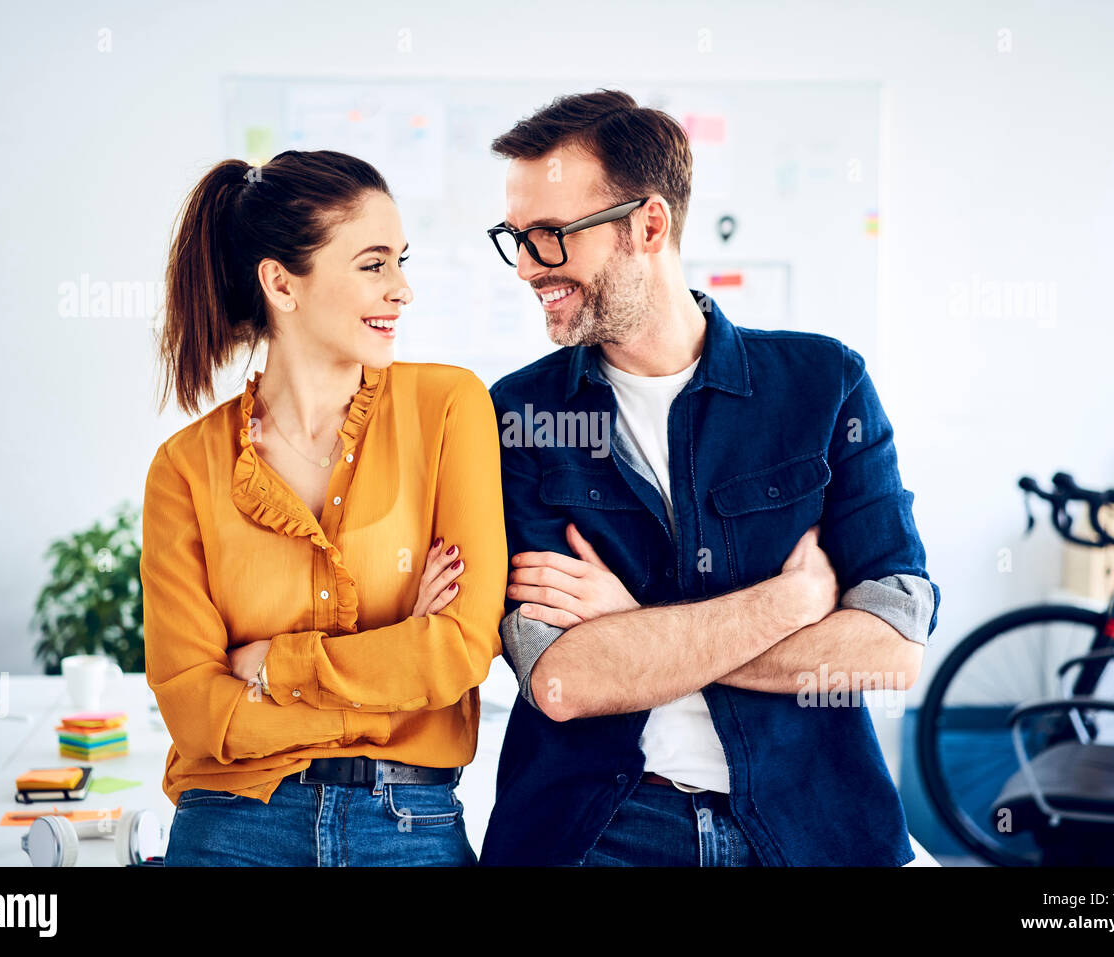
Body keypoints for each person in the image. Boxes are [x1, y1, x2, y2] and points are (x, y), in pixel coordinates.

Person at [479, 91, 940, 866]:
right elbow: (563, 680)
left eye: (552, 236)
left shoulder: (823, 384)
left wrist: (636, 620)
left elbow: (889, 648)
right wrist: (788, 604)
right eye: (517, 238)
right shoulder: (518, 414)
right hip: (601, 832)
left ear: (647, 226)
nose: (527, 266)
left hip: (811, 827)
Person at [141, 149, 507, 866]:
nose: (402, 290)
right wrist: (397, 658)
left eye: (402, 261)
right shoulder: (185, 469)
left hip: (407, 821)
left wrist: (274, 666)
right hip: (232, 823)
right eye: (373, 265)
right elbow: (195, 709)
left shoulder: (449, 408)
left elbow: (462, 647)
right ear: (282, 282)